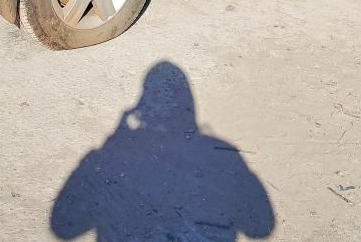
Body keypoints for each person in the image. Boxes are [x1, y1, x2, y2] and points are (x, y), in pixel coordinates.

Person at [51, 61, 275, 241]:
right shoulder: (223, 155)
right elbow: (260, 226)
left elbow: (63, 226)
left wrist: (99, 155)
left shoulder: (119, 153)